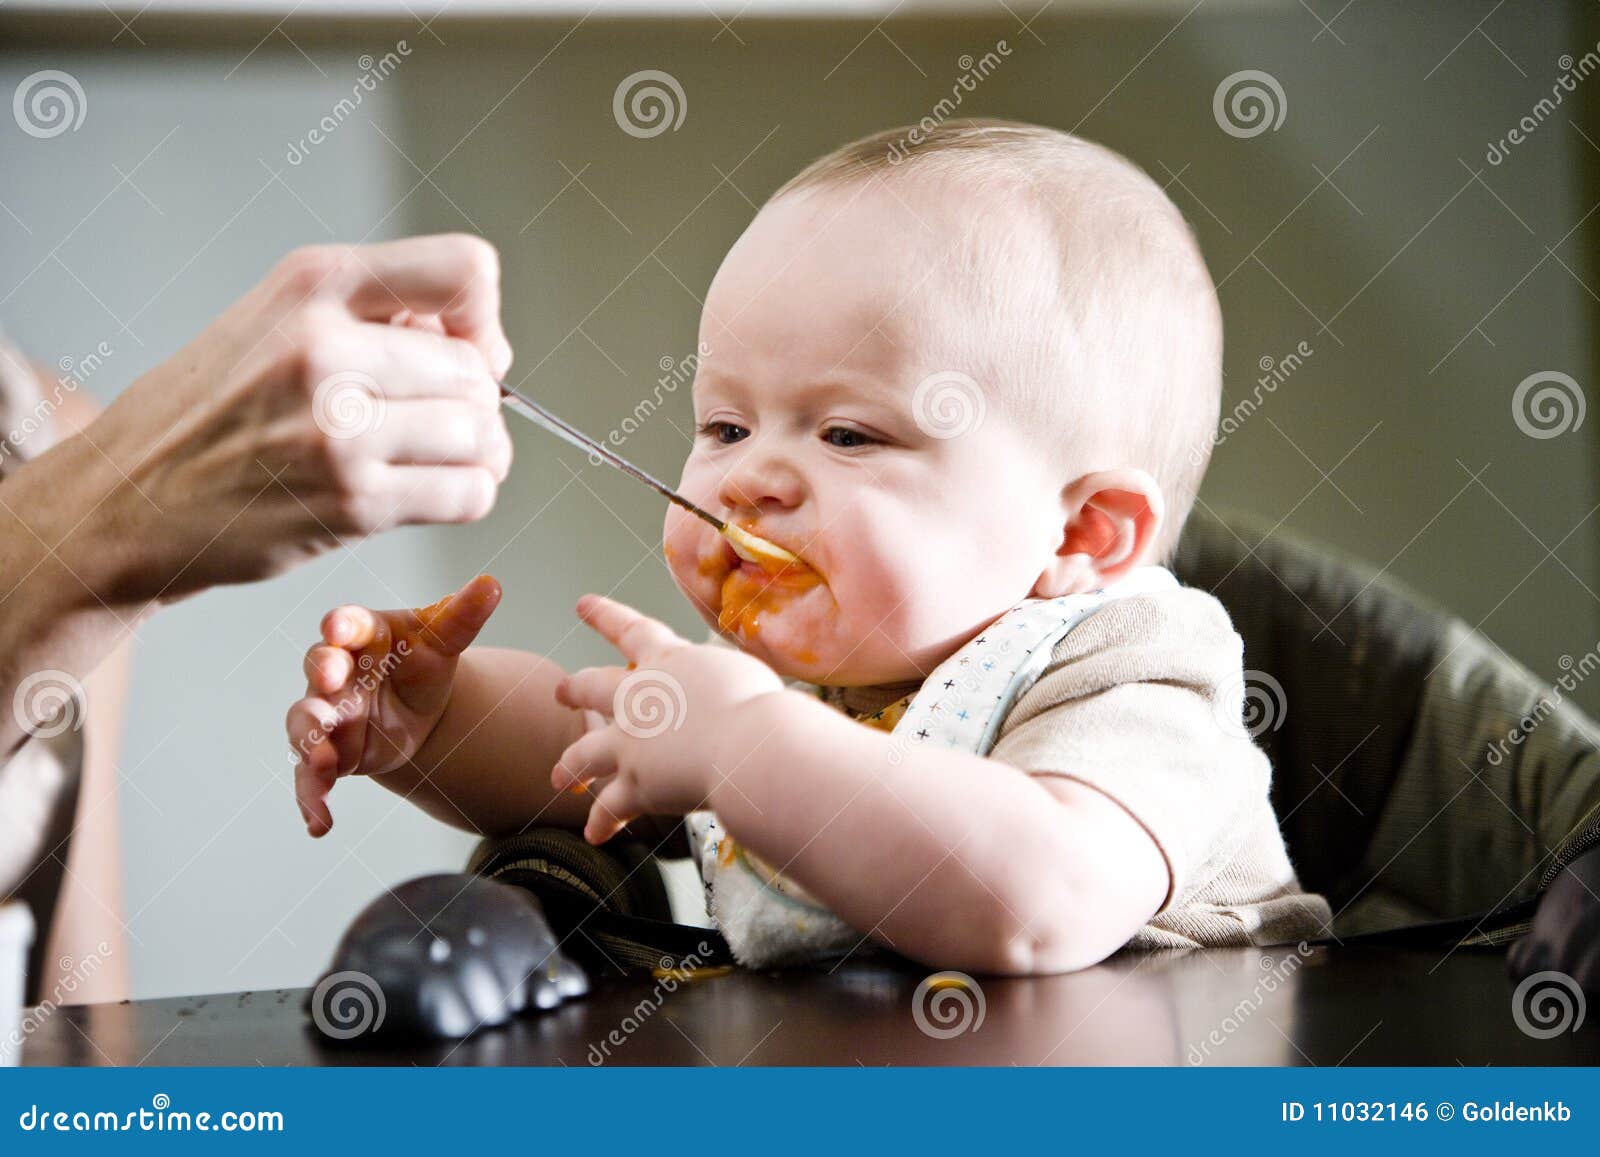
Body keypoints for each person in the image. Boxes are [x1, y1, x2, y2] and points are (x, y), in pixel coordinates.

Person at [284, 120, 1333, 976]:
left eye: (847, 434)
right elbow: (580, 763)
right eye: (725, 427)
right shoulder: (793, 679)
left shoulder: (1132, 667)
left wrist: (743, 745)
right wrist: (434, 718)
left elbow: (1034, 900)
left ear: (1081, 532)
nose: (747, 479)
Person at [0, 233, 515, 1001]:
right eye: (727, 430)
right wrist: (442, 732)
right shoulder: (68, 461)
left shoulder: (45, 430)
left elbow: (75, 1011)